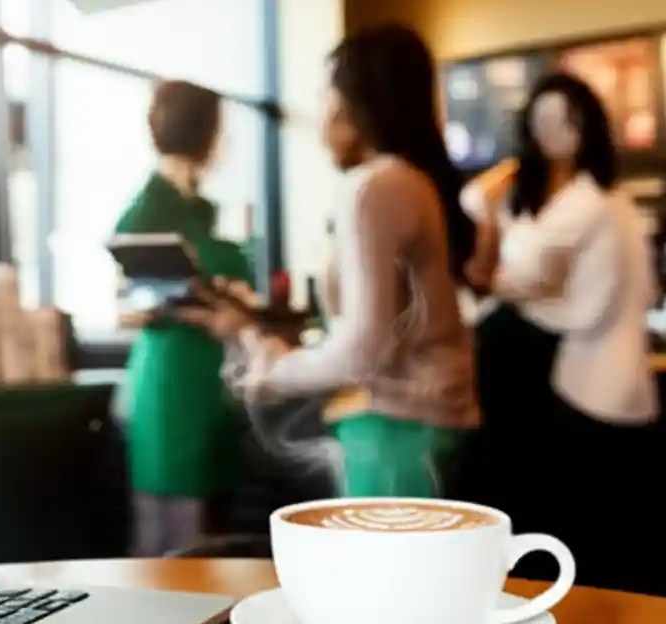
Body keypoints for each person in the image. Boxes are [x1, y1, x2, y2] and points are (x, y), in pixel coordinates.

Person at [181, 25, 480, 499]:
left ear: (350, 104)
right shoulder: (412, 182)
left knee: (381, 571)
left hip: (395, 427)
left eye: (324, 93)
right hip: (419, 421)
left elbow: (364, 347)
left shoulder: (374, 186)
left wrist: (273, 373)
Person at [461, 73, 658, 588]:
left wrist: (489, 259)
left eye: (566, 121)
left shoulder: (590, 201)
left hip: (575, 382)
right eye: (542, 121)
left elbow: (513, 279)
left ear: (588, 127)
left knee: (565, 525)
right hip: (558, 375)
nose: (554, 133)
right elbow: (475, 208)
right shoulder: (550, 198)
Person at [116, 80, 252, 557]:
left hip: (207, 382)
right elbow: (127, 306)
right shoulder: (147, 211)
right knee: (169, 543)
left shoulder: (197, 210)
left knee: (210, 538)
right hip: (172, 385)